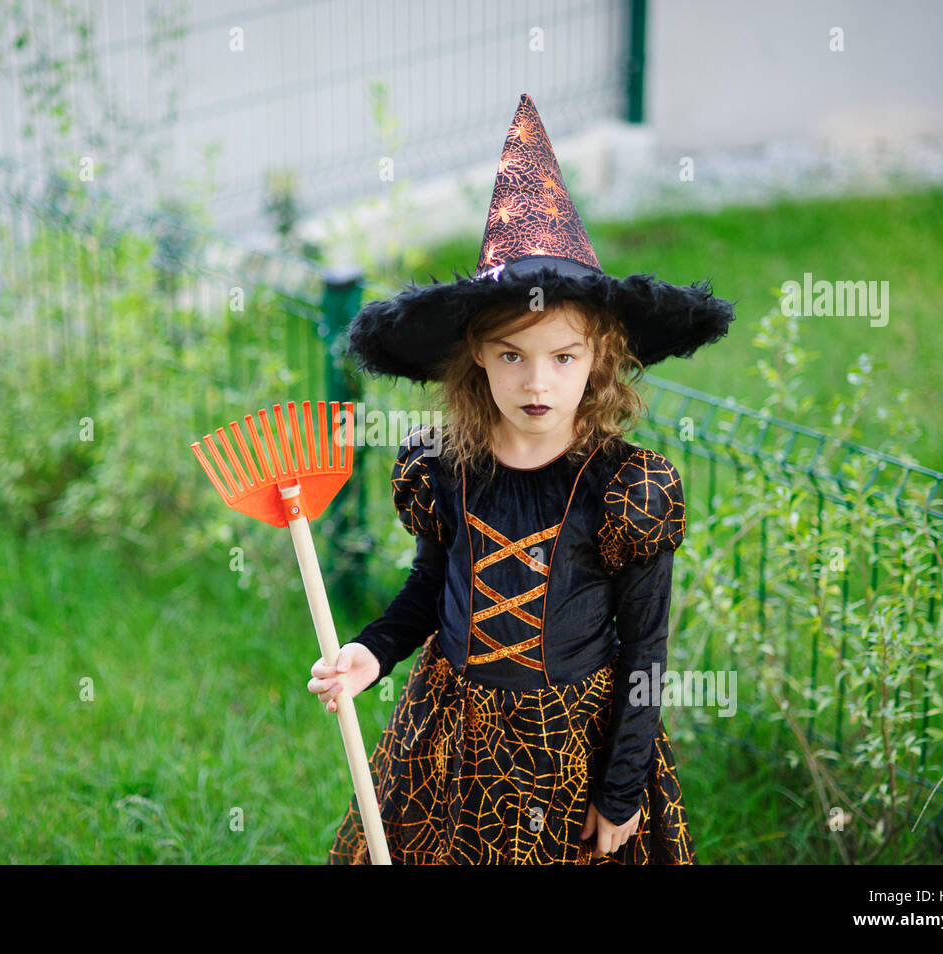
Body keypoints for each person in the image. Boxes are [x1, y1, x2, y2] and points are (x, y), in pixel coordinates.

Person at [307, 93, 735, 864]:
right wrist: (371, 652)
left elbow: (644, 652)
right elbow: (430, 592)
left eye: (563, 357)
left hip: (573, 747)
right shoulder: (443, 467)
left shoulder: (627, 491)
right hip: (453, 740)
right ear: (475, 353)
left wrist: (621, 789)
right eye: (512, 354)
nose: (537, 381)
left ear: (600, 356)